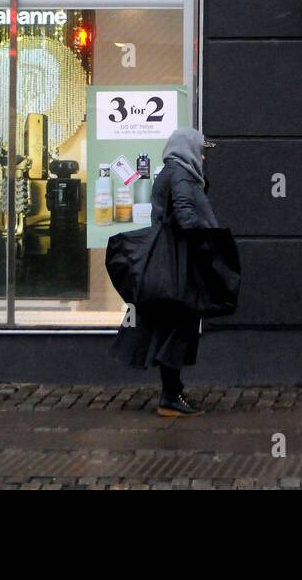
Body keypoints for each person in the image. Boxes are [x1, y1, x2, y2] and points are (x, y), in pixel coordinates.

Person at [110, 127, 217, 417]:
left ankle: (173, 391)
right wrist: (204, 242)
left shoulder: (173, 171)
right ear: (188, 148)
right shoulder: (181, 174)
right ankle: (170, 396)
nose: (204, 157)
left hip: (172, 263)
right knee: (179, 327)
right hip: (178, 265)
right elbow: (184, 214)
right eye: (202, 151)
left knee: (173, 327)